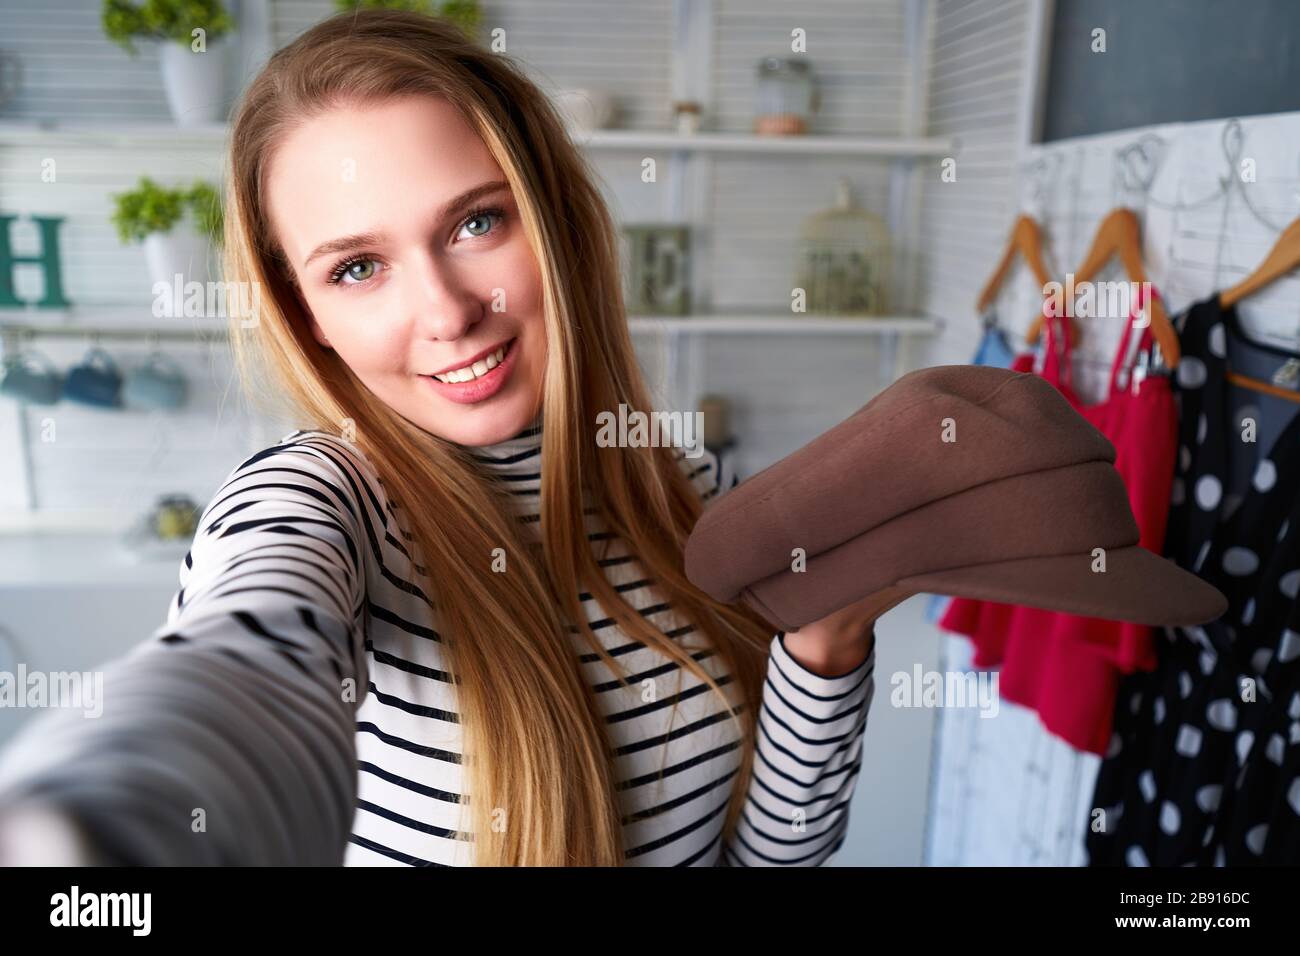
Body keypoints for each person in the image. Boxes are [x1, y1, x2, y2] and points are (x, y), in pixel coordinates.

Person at [0, 10, 904, 866]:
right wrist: (107, 808)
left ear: (554, 220)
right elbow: (254, 643)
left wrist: (822, 652)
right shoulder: (316, 500)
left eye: (477, 222)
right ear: (304, 311)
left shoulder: (692, 486)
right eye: (357, 268)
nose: (448, 313)